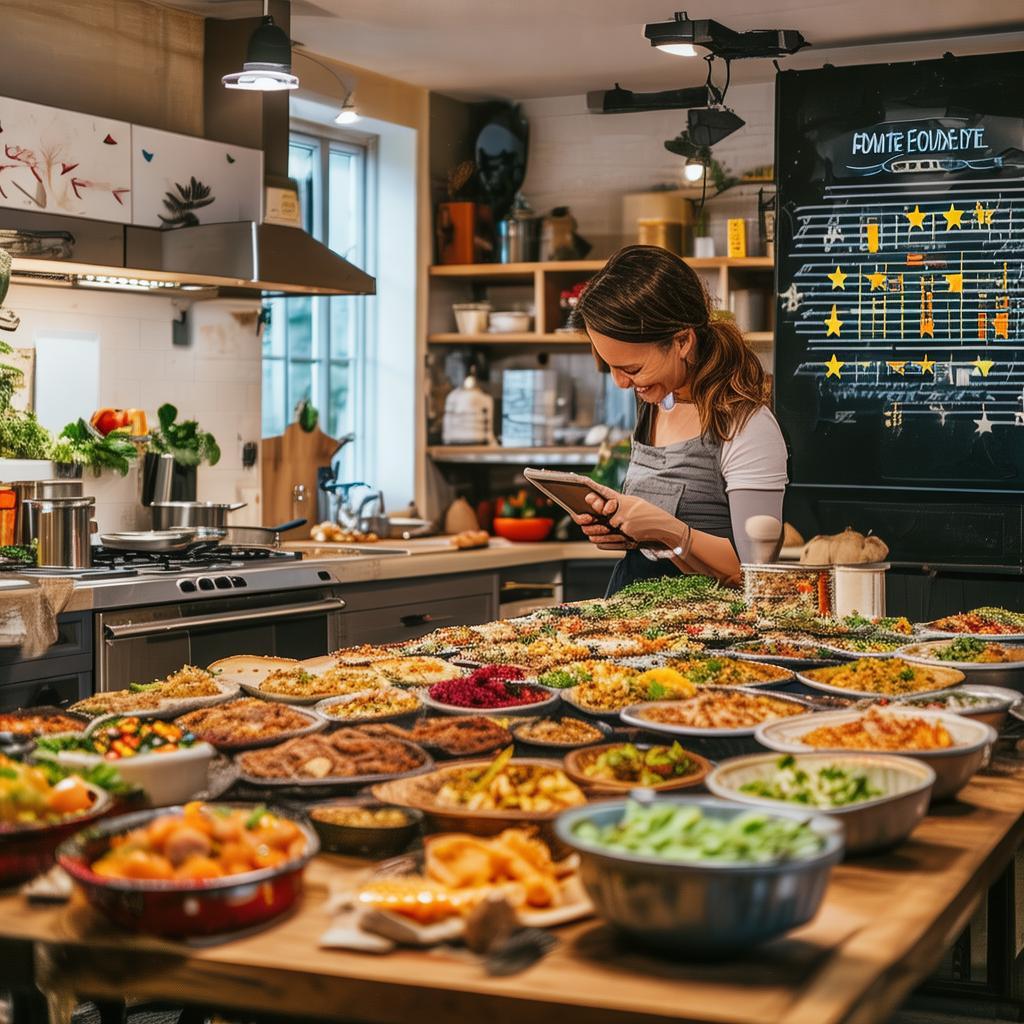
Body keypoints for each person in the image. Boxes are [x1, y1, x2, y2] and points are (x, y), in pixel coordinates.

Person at [571, 244, 787, 594]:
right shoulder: (653, 407)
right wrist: (622, 528)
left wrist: (670, 530)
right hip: (630, 623)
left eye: (631, 368)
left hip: (704, 632)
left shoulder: (747, 425)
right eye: (609, 367)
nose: (620, 383)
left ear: (683, 340)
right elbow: (652, 543)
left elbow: (756, 577)